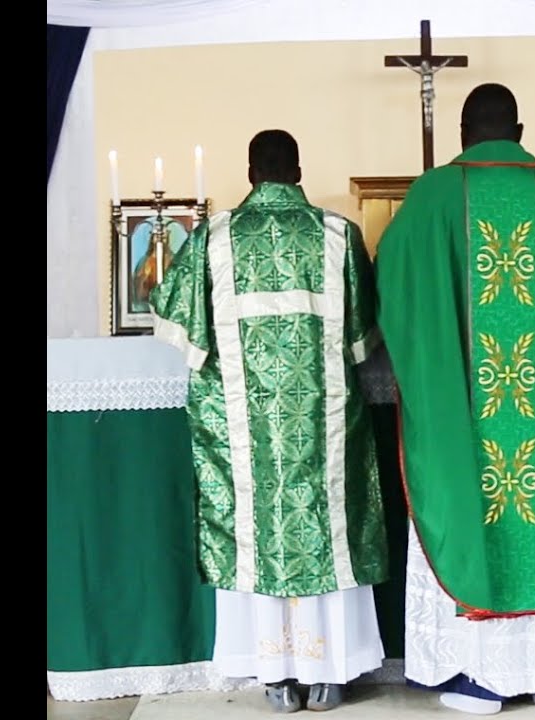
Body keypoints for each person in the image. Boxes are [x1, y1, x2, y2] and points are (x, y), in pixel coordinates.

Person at [376, 83, 535, 715]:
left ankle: (482, 677)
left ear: (463, 131)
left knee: (471, 503)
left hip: (468, 418)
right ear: (519, 130)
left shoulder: (431, 198)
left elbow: (394, 293)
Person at [150, 129, 389, 713]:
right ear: (298, 171)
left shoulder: (213, 238)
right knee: (328, 529)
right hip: (322, 428)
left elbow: (178, 325)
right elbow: (363, 340)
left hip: (244, 434)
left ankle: (275, 676)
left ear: (251, 173)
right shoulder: (339, 235)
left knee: (255, 535)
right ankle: (331, 672)